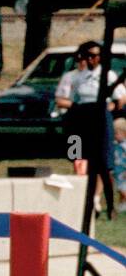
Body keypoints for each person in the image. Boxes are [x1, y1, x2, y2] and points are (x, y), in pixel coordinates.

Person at [54, 40, 124, 215]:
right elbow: (62, 99)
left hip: (100, 117)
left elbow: (121, 97)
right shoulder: (73, 77)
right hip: (79, 119)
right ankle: (83, 197)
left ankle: (101, 201)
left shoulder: (107, 75)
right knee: (79, 157)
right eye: (86, 56)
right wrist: (76, 107)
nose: (88, 60)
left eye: (94, 56)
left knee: (104, 161)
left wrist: (112, 107)